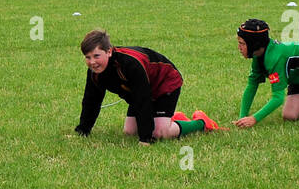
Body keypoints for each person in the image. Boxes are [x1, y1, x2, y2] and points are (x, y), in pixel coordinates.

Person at [73, 29, 220, 144]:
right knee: (130, 131)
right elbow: (91, 100)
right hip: (142, 92)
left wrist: (145, 139)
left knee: (159, 133)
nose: (92, 62)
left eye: (96, 56)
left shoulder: (130, 64)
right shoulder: (95, 72)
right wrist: (83, 130)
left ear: (109, 51)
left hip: (165, 82)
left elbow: (143, 100)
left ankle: (201, 123)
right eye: (88, 57)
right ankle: (172, 119)